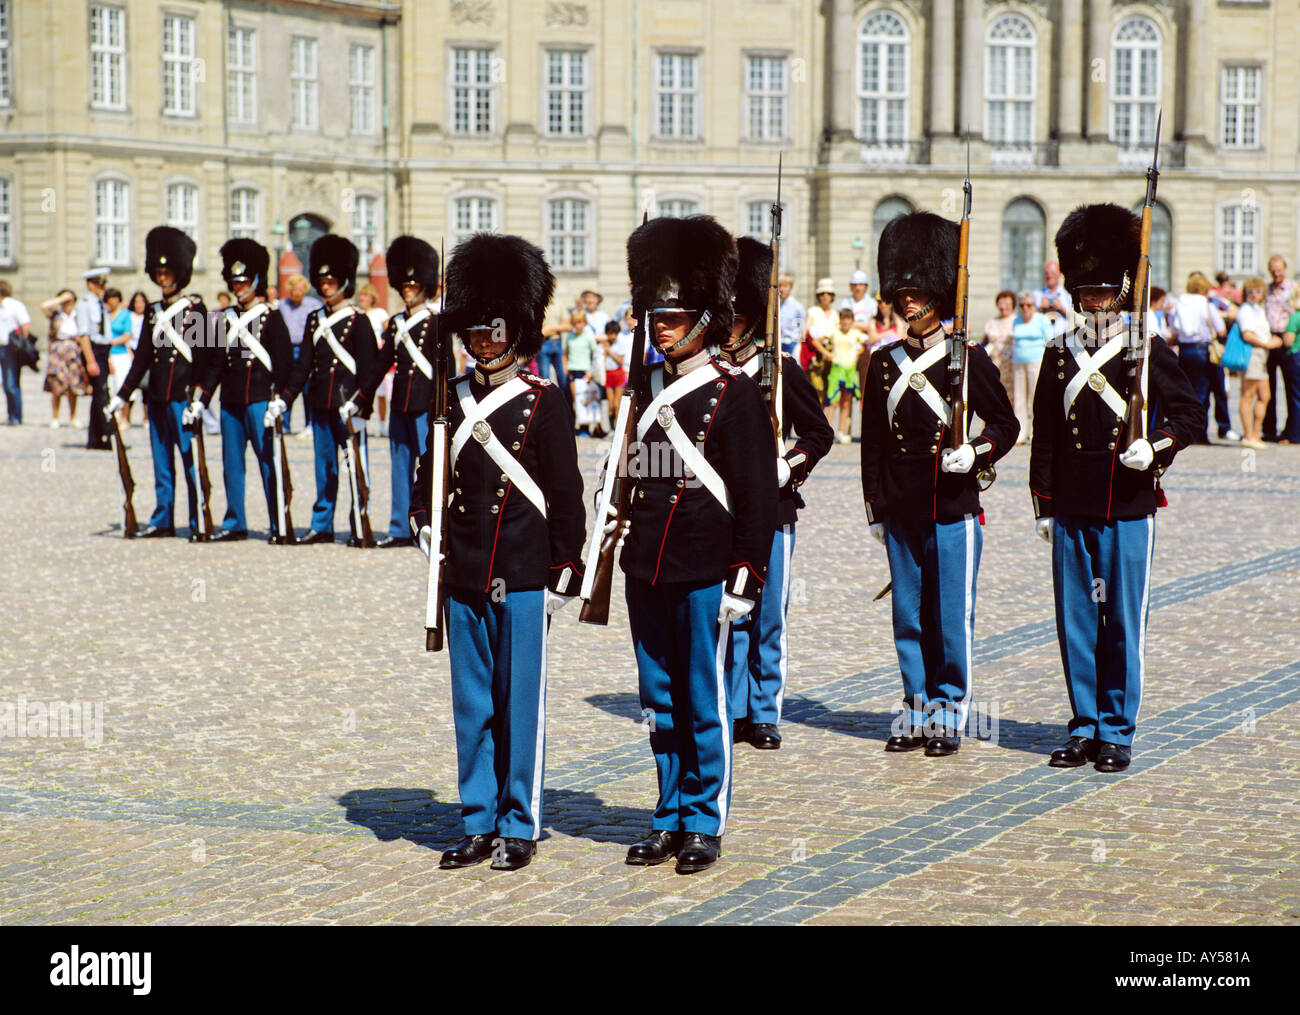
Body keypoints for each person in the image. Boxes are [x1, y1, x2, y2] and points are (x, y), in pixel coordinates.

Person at [409, 232, 585, 872]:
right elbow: (430, 474)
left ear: (518, 332)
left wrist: (569, 560)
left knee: (518, 704)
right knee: (472, 704)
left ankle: (519, 822)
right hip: (464, 569)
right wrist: (424, 520)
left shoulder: (544, 402)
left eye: (492, 333)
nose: (481, 344)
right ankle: (478, 818)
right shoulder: (451, 399)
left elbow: (565, 490)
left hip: (521, 567)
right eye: (472, 334)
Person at [616, 215, 777, 874]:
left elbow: (757, 497)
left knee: (702, 697)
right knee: (658, 700)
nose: (661, 323)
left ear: (704, 319)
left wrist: (747, 572)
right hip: (645, 564)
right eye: (657, 311)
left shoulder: (735, 395)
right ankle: (668, 811)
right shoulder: (646, 388)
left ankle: (704, 818)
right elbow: (635, 471)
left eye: (675, 313)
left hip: (705, 562)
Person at [1032, 203, 1203, 773]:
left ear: (1123, 289)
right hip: (1074, 504)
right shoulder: (1059, 354)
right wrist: (1043, 504)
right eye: (1087, 293)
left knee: (1124, 623)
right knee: (1077, 620)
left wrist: (1156, 447)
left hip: (1128, 503)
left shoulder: (1148, 350)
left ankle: (1116, 729)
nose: (1095, 302)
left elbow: (1188, 415)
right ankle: (1083, 724)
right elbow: (1046, 438)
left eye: (1105, 292)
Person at [862, 211, 1018, 758]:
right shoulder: (882, 363)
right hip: (902, 504)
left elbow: (1006, 425)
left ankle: (950, 712)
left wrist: (974, 452)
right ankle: (915, 707)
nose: (907, 301)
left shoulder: (968, 359)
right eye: (902, 291)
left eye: (918, 290)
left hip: (952, 503)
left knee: (950, 615)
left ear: (939, 294)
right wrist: (875, 510)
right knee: (908, 614)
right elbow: (873, 444)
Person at [719, 237, 834, 750]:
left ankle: (764, 711)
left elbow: (818, 433)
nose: (729, 330)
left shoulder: (781, 368)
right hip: (720, 510)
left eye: (738, 320)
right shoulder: (707, 373)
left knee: (767, 618)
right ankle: (731, 704)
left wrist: (792, 464)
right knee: (729, 612)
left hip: (775, 510)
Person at [106, 227, 211, 539]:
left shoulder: (195, 310)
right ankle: (163, 519)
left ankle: (197, 519)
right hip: (158, 397)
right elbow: (142, 360)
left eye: (168, 272)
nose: (163, 277)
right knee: (162, 462)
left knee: (191, 463)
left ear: (179, 273)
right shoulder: (153, 312)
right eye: (159, 272)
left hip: (183, 398)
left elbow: (205, 359)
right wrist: (122, 395)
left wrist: (200, 398)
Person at [277, 235, 379, 546]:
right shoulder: (313, 319)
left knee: (355, 469)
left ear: (344, 282)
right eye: (322, 281)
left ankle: (359, 523)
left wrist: (362, 403)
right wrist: (284, 399)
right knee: (324, 469)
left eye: (332, 280)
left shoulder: (359, 322)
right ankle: (322, 524)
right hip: (321, 404)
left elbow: (371, 370)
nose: (326, 286)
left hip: (349, 406)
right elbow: (302, 367)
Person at [196, 238, 294, 542]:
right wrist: (203, 399)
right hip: (232, 401)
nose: (239, 287)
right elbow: (215, 364)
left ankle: (278, 521)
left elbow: (283, 361)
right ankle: (235, 522)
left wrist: (282, 398)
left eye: (243, 281)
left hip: (261, 399)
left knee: (269, 462)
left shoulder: (271, 316)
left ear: (255, 281)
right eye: (235, 282)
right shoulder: (224, 319)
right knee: (232, 465)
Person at [369, 235, 440, 548]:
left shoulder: (437, 323)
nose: (409, 291)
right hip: (401, 403)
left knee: (429, 469)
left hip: (426, 402)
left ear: (424, 287)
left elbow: (443, 368)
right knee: (399, 468)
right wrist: (362, 396)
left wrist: (442, 405)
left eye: (415, 287)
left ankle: (430, 524)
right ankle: (399, 526)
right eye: (406, 287)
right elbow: (381, 363)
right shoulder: (396, 324)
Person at [1167, 272, 1226, 444]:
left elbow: (1174, 329)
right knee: (1202, 394)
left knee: (1188, 392)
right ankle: (1201, 433)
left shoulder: (1179, 304)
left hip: (1185, 350)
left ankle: (1189, 432)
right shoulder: (1206, 304)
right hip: (1202, 349)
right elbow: (1221, 329)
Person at [1235, 277, 1279, 450]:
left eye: (1257, 291)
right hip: (1253, 353)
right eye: (1251, 292)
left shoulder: (1258, 309)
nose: (1254, 295)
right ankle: (1249, 434)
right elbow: (1248, 334)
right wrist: (1268, 343)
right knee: (1248, 395)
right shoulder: (1246, 310)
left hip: (1261, 355)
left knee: (1264, 396)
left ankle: (1255, 432)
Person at [277, 273, 323, 436]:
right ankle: (285, 422)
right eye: (294, 288)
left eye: (300, 288)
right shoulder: (282, 305)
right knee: (286, 386)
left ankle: (309, 423)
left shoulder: (314, 305)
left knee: (307, 389)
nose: (297, 291)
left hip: (306, 349)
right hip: (287, 349)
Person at [76, 267, 114, 451]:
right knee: (101, 394)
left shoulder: (100, 303)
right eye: (99, 283)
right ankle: (108, 435)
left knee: (99, 394)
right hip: (94, 350)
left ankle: (94, 438)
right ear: (90, 284)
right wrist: (90, 360)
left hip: (104, 351)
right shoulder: (84, 304)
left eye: (104, 283)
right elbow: (83, 335)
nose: (103, 286)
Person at [41, 290, 90, 427]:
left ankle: (73, 417)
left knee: (73, 384)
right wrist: (60, 299)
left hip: (73, 349)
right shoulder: (56, 315)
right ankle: (55, 417)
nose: (67, 303)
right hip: (58, 349)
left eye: (69, 300)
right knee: (57, 383)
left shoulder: (77, 315)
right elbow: (43, 306)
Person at [1011, 290, 1052, 443]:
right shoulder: (1016, 320)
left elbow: (1050, 341)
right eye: (1022, 305)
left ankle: (1036, 432)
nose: (1025, 308)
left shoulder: (1042, 320)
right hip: (1018, 361)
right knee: (1019, 397)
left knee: (1036, 397)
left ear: (1034, 306)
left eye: (1029, 305)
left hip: (1036, 361)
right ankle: (1020, 432)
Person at [1262, 256, 1296, 442]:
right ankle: (1269, 429)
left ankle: (1291, 430)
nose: (1276, 274)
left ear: (1285, 269)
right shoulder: (1267, 289)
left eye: (1279, 270)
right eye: (1273, 270)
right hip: (1270, 339)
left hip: (1286, 339)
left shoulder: (1293, 288)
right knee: (1268, 387)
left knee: (1291, 388)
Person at [824, 306, 863, 443]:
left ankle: (841, 431)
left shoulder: (855, 334)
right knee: (833, 402)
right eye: (843, 320)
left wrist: (859, 352)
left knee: (846, 403)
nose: (846, 323)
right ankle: (826, 432)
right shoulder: (834, 333)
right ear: (840, 321)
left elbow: (864, 344)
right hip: (837, 369)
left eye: (848, 320)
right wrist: (826, 353)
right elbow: (817, 341)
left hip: (850, 371)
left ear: (852, 321)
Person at [357, 284, 391, 436]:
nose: (362, 298)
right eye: (361, 295)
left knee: (382, 394)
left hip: (379, 356)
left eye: (366, 295)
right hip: (364, 358)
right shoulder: (357, 314)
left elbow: (388, 331)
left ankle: (383, 423)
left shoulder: (380, 313)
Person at [0, 280, 32, 425]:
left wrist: (20, 345)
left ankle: (16, 416)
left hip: (10, 348)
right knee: (6, 384)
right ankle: (11, 414)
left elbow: (25, 326)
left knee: (11, 383)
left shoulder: (14, 306)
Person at [803, 278, 836, 404]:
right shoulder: (813, 311)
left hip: (831, 357)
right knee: (816, 390)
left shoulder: (835, 314)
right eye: (822, 294)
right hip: (816, 356)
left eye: (828, 293)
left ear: (832, 296)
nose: (825, 296)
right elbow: (805, 332)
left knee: (829, 391)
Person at [981, 290, 1017, 403]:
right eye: (1001, 304)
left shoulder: (1017, 321)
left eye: (1007, 304)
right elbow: (985, 341)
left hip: (1012, 366)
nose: (1003, 307)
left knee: (1011, 398)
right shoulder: (992, 322)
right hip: (994, 364)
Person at [1279, 286, 1300, 445]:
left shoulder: (1295, 317)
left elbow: (1288, 341)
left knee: (1295, 398)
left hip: (1296, 358)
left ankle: (1294, 434)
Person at [599, 319, 629, 424]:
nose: (612, 336)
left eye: (614, 334)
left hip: (618, 374)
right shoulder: (603, 344)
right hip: (607, 375)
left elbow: (620, 360)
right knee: (610, 405)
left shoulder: (619, 344)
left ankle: (618, 429)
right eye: (610, 334)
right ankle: (611, 427)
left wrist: (608, 351)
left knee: (617, 403)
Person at [1034, 260, 1074, 337]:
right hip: (1041, 339)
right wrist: (1041, 308)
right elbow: (1029, 319)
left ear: (1059, 275)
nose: (1049, 276)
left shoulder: (1067, 296)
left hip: (1063, 339)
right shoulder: (1037, 295)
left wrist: (1062, 308)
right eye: (1046, 273)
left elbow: (1076, 319)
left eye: (1052, 273)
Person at [840, 268, 878, 335]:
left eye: (860, 284)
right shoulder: (845, 303)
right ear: (851, 286)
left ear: (865, 287)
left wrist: (853, 324)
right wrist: (865, 326)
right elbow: (842, 324)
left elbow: (875, 325)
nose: (857, 288)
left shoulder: (873, 303)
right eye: (855, 285)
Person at [777, 273, 805, 359]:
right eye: (780, 286)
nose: (782, 289)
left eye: (785, 286)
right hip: (779, 344)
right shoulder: (776, 305)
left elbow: (802, 329)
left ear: (790, 287)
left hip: (792, 345)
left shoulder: (797, 307)